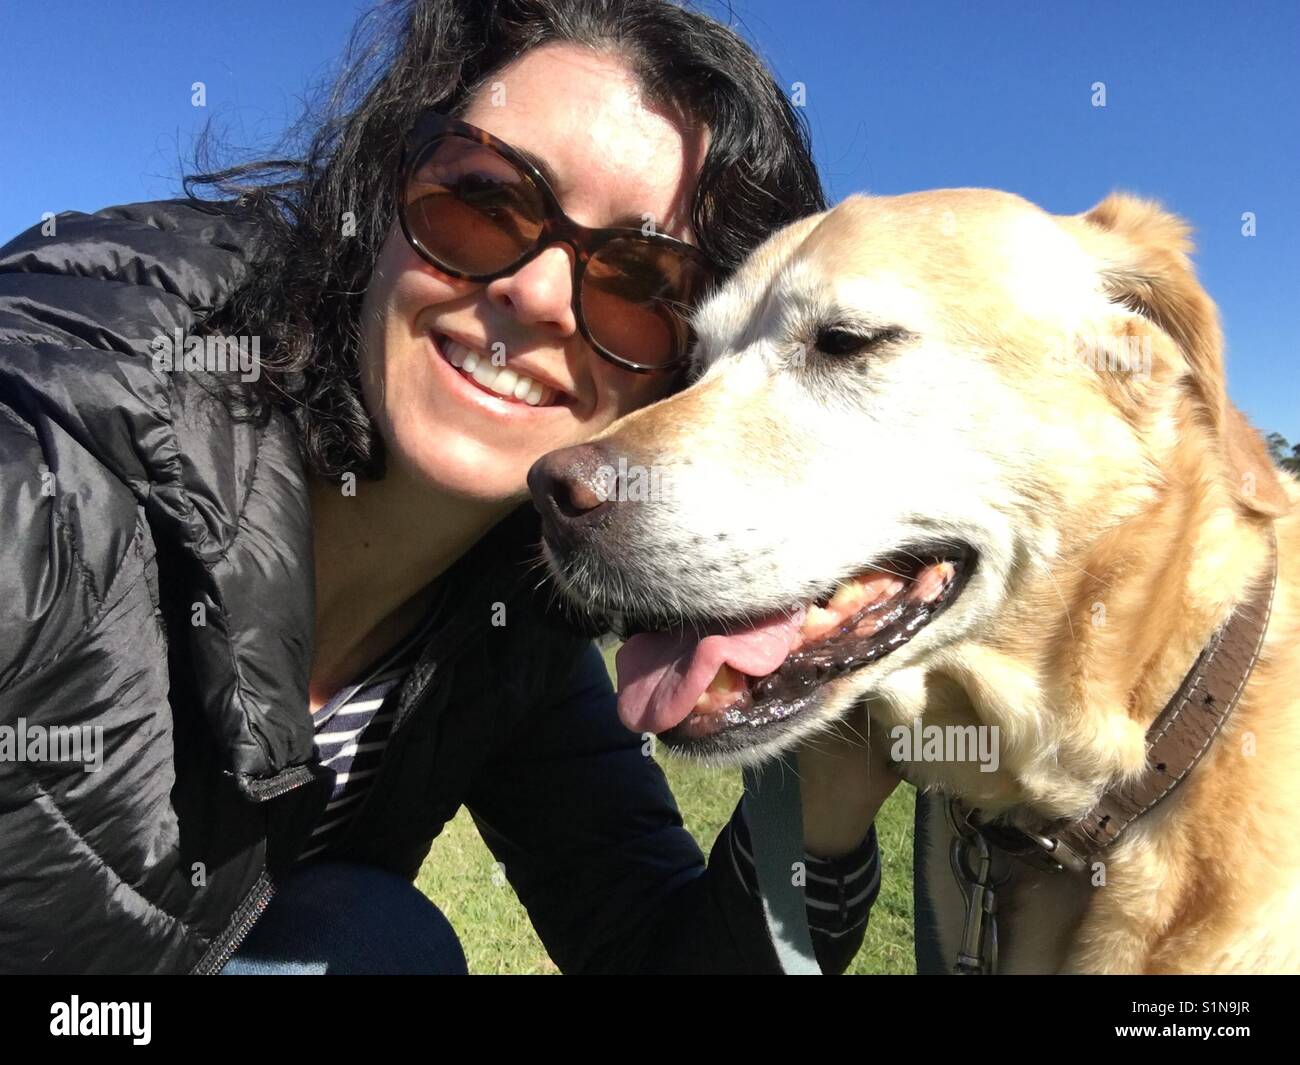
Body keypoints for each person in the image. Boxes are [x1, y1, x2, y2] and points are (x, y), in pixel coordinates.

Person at [0, 0, 897, 975]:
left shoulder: (505, 626)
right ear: (381, 189)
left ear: (688, 379)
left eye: (641, 282)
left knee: (370, 938)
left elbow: (661, 955)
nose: (539, 294)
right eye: (485, 200)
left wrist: (830, 780)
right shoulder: (58, 473)